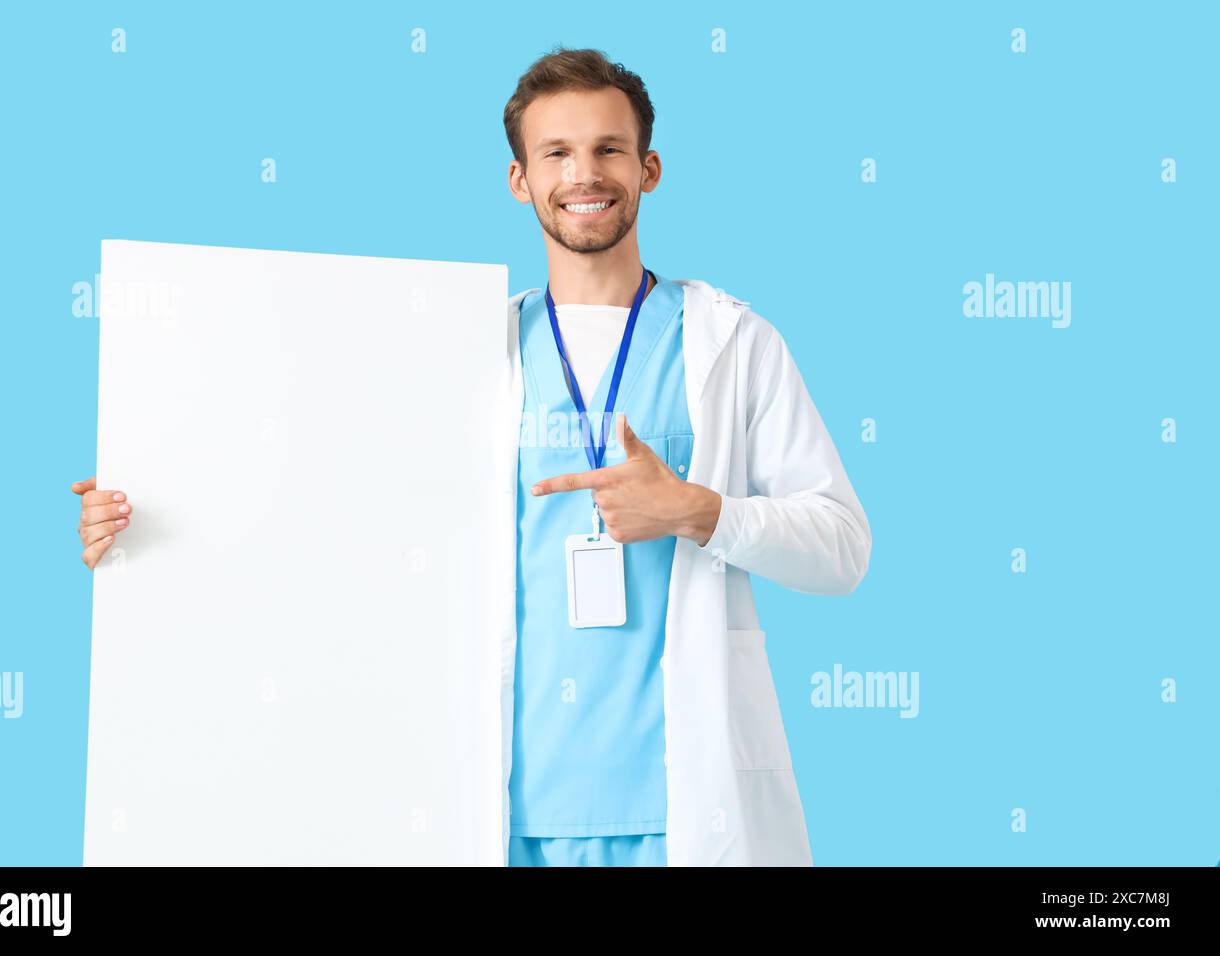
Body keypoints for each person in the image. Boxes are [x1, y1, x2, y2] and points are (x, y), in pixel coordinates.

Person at [73, 46, 872, 867]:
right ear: (520, 179)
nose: (584, 174)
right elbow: (318, 493)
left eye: (608, 149)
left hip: (685, 814)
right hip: (493, 813)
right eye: (555, 153)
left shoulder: (732, 342)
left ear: (650, 168)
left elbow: (843, 548)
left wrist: (698, 511)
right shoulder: (464, 347)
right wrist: (159, 507)